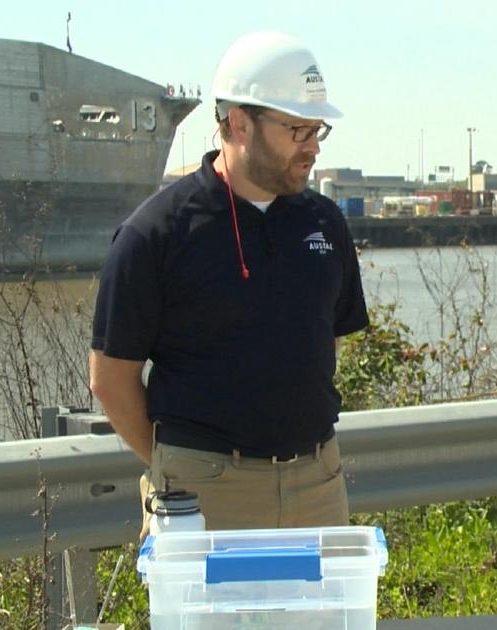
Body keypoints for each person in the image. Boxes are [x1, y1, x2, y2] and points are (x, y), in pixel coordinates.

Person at [88, 31, 368, 532]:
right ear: (239, 123)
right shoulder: (156, 233)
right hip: (205, 492)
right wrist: (175, 463)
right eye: (295, 131)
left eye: (316, 131)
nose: (311, 149)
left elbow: (321, 342)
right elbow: (110, 379)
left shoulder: (324, 222)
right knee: (219, 617)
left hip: (318, 484)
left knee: (318, 615)